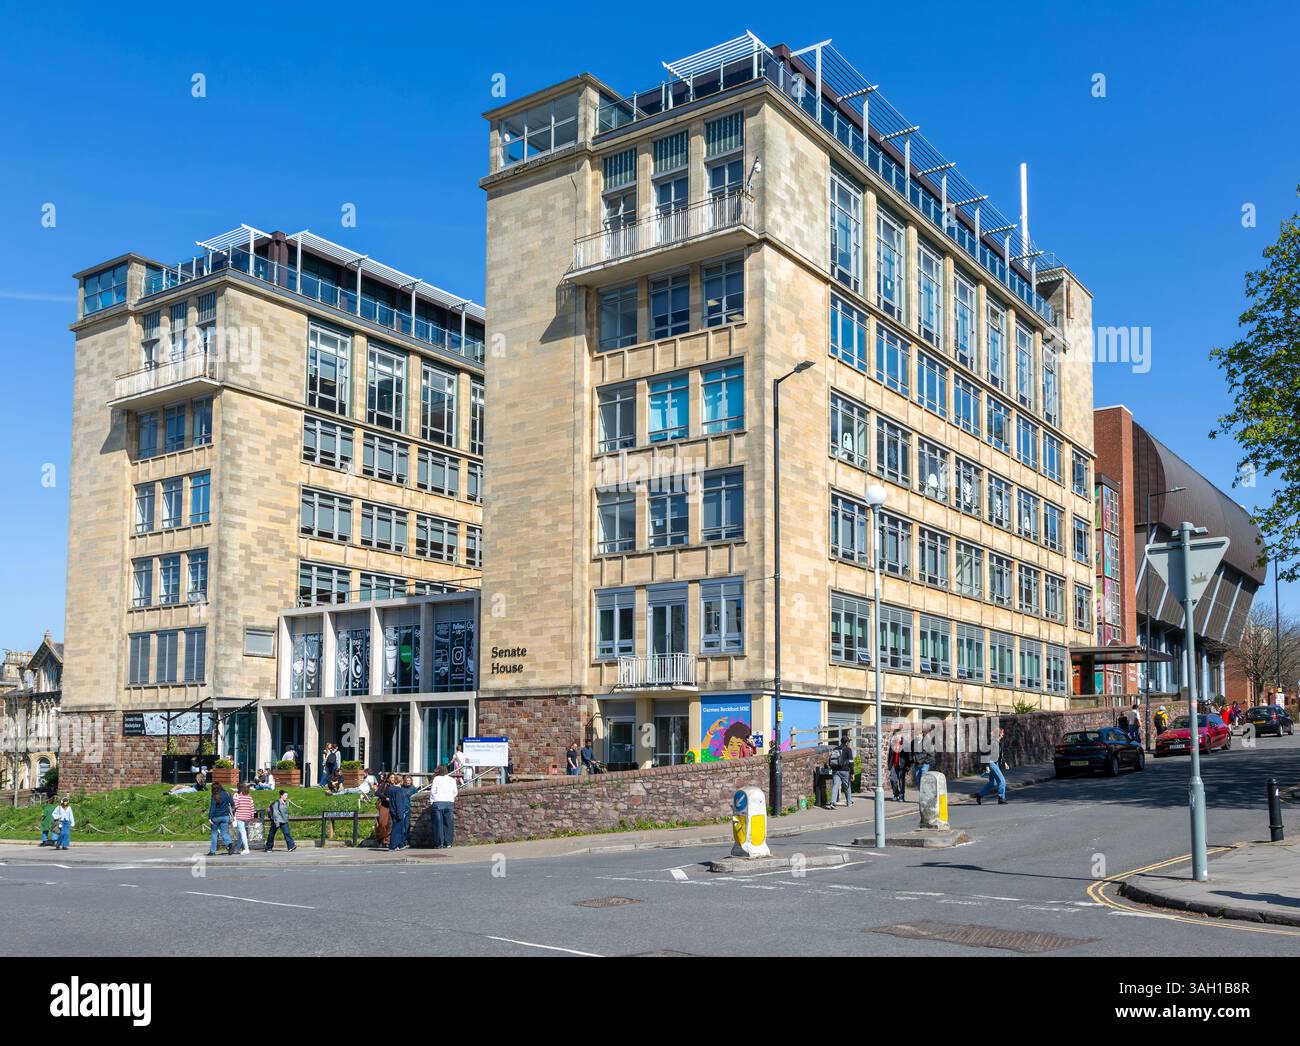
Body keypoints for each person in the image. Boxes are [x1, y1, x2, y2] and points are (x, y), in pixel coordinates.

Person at [974, 728, 1008, 805]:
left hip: (996, 763)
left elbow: (1000, 755)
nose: (1003, 735)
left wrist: (1004, 763)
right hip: (991, 763)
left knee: (992, 782)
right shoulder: (993, 743)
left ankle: (979, 795)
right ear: (999, 734)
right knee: (1002, 780)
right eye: (1002, 733)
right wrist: (987, 766)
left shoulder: (999, 742)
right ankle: (1001, 798)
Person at [429, 764, 459, 848]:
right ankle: (448, 843)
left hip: (438, 802)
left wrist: (432, 801)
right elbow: (455, 792)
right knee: (449, 824)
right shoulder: (452, 779)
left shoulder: (436, 779)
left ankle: (439, 844)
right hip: (449, 803)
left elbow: (432, 791)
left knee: (438, 824)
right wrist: (450, 798)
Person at [208, 782, 235, 855]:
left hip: (216, 817)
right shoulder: (227, 793)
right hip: (225, 816)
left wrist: (209, 817)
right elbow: (232, 804)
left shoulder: (214, 796)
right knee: (224, 833)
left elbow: (212, 807)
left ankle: (212, 851)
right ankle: (229, 844)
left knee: (214, 833)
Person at [829, 733, 854, 808]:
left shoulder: (835, 749)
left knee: (835, 786)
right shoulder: (848, 749)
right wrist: (852, 773)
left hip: (835, 770)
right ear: (847, 742)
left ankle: (832, 803)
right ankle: (849, 802)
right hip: (845, 771)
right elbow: (851, 762)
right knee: (847, 786)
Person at [386, 777, 409, 851]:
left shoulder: (391, 789)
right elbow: (398, 803)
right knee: (396, 830)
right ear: (401, 781)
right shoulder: (398, 790)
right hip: (398, 812)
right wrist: (400, 814)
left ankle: (401, 845)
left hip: (392, 811)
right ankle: (392, 846)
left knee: (398, 829)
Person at [232, 783, 255, 855]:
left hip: (240, 816)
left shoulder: (239, 796)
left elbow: (236, 806)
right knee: (241, 833)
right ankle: (237, 848)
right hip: (247, 816)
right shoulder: (249, 797)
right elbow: (252, 807)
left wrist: (235, 798)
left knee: (243, 832)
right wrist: (252, 816)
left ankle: (246, 848)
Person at [890, 732, 909, 802]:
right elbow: (890, 755)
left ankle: (901, 796)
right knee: (892, 779)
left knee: (901, 782)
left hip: (902, 765)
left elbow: (908, 755)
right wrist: (889, 765)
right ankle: (896, 794)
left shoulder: (905, 743)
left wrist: (908, 765)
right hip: (894, 765)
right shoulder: (893, 744)